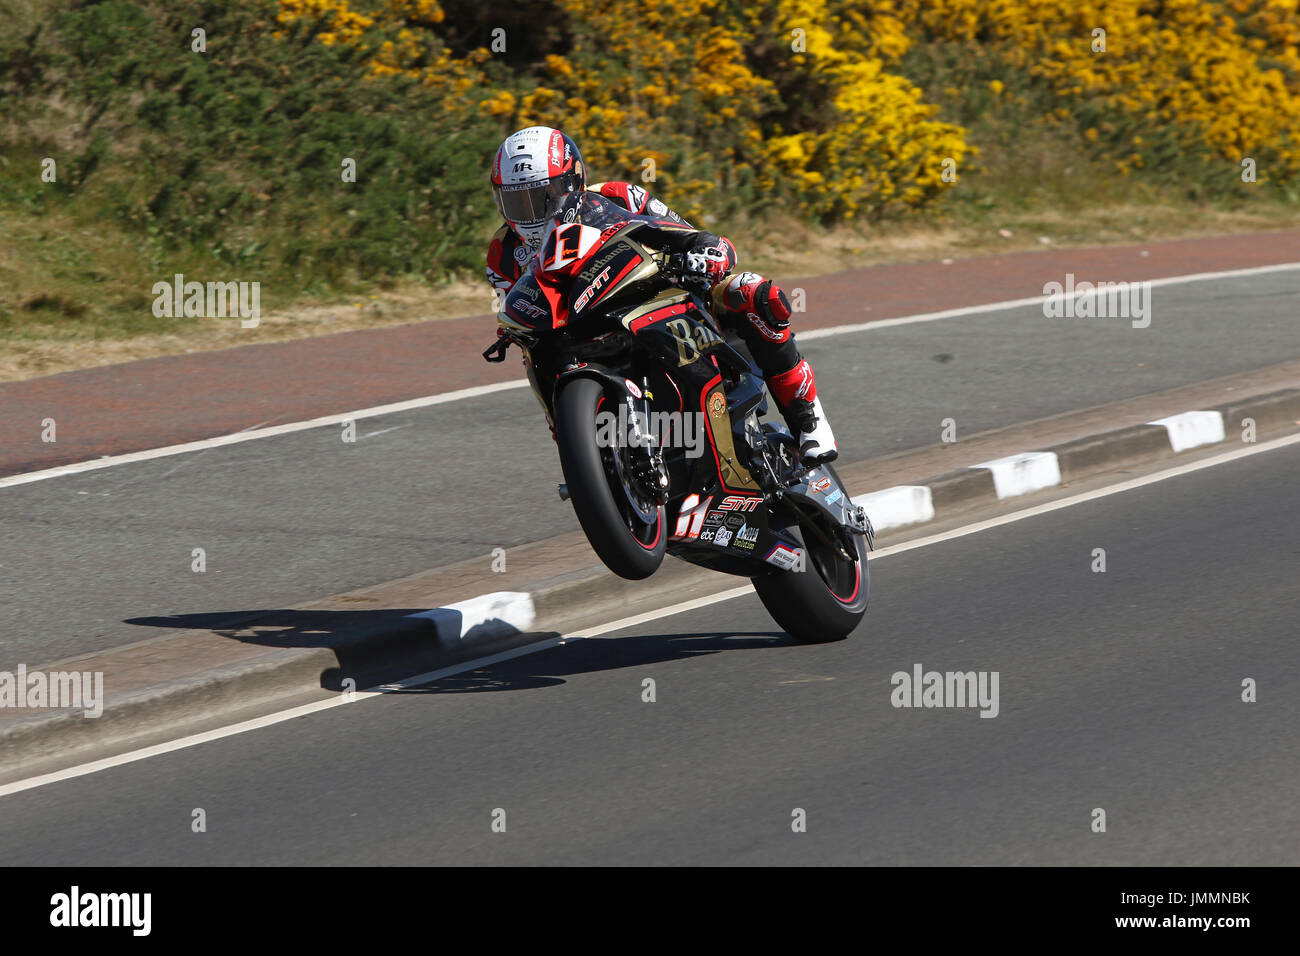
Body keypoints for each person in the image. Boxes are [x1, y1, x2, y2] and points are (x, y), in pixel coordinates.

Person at [487, 125, 838, 462]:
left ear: (572, 182)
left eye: (543, 197)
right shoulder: (502, 253)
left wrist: (708, 253)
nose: (531, 213)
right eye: (517, 202)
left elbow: (686, 233)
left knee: (750, 291)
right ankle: (581, 451)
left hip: (659, 298)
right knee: (534, 356)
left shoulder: (616, 196)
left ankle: (807, 418)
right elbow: (518, 313)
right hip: (580, 336)